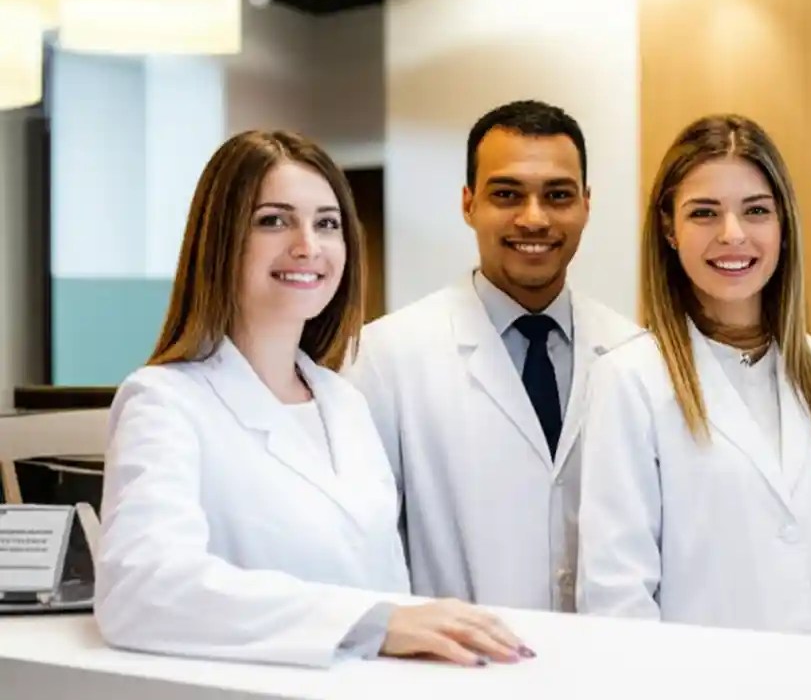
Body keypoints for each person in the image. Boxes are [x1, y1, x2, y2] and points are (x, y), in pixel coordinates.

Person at [95, 130, 530, 668]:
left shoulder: (343, 402)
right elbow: (141, 589)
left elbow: (381, 577)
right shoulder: (164, 403)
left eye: (327, 223)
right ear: (219, 239)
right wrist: (372, 622)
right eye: (273, 220)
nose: (308, 245)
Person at [575, 114, 811, 637]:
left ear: (782, 225)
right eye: (704, 213)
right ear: (668, 228)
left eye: (755, 211)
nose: (733, 235)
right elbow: (618, 597)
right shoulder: (629, 380)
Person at [346, 100, 640, 612]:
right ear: (468, 204)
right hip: (456, 676)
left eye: (558, 195)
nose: (534, 218)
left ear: (586, 205)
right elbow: (364, 546)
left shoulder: (634, 353)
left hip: (605, 667)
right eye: (507, 194)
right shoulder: (387, 356)